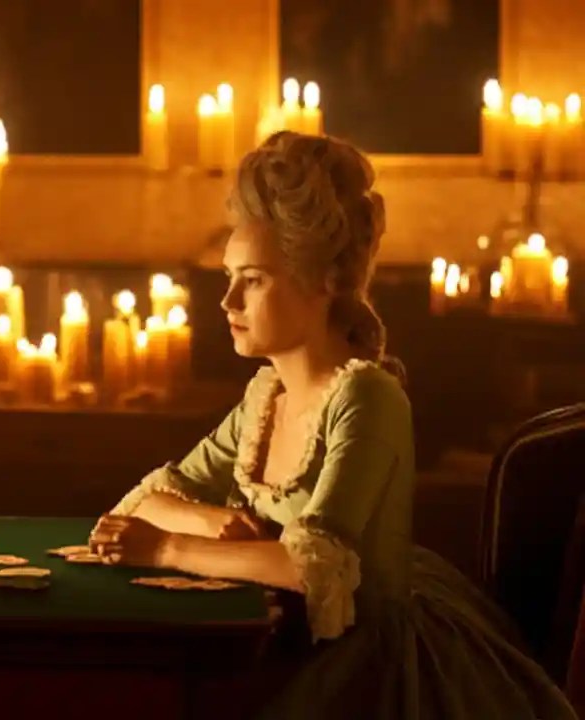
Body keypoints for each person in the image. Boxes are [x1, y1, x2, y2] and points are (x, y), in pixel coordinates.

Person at [90, 132, 576, 719]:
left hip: (369, 669)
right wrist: (215, 520)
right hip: (277, 641)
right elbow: (145, 500)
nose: (227, 302)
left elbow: (310, 565)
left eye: (255, 279)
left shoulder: (368, 398)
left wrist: (170, 548)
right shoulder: (264, 397)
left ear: (325, 282)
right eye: (229, 276)